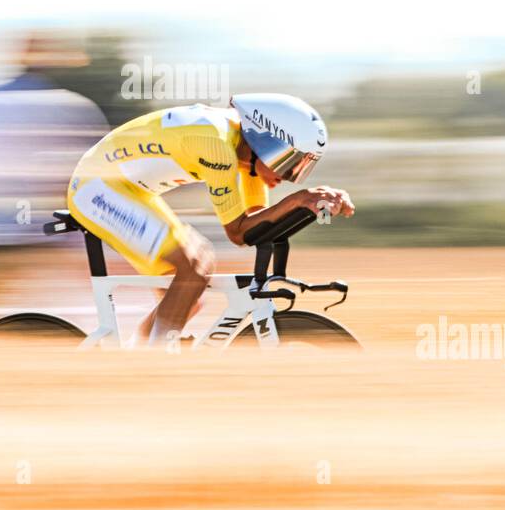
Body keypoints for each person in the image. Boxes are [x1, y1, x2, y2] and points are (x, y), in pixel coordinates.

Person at [64, 93, 355, 345]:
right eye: (290, 163)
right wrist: (298, 199)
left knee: (188, 297)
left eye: (300, 167)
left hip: (127, 188)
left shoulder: (248, 156)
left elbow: (257, 224)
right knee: (194, 267)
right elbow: (238, 232)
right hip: (96, 188)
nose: (288, 177)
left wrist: (306, 205)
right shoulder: (217, 146)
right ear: (266, 143)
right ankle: (156, 364)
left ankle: (138, 356)